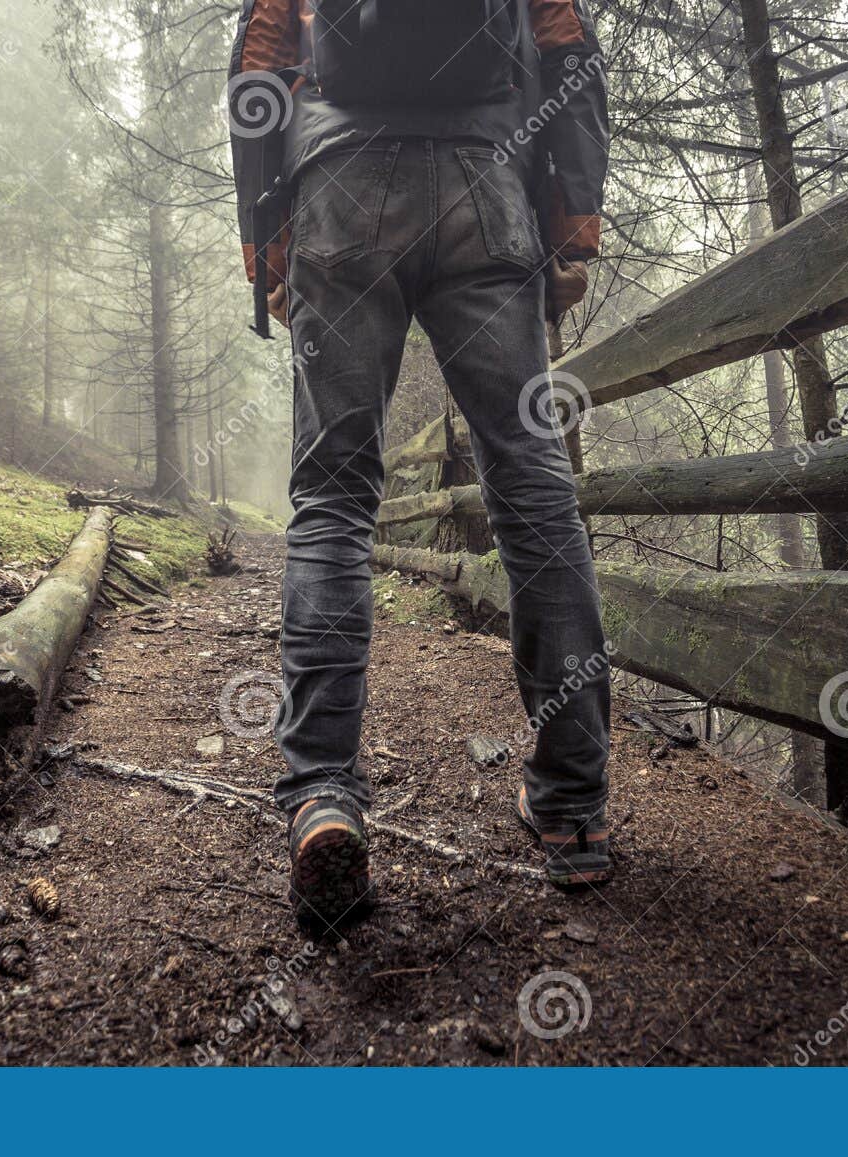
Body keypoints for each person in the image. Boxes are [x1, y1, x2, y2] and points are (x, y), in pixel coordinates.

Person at [228, 0, 612, 933]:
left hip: (340, 186)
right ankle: (570, 808)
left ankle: (323, 793)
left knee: (331, 495)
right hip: (487, 187)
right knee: (531, 486)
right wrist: (574, 226)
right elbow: (570, 59)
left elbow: (257, 77)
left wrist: (267, 246)